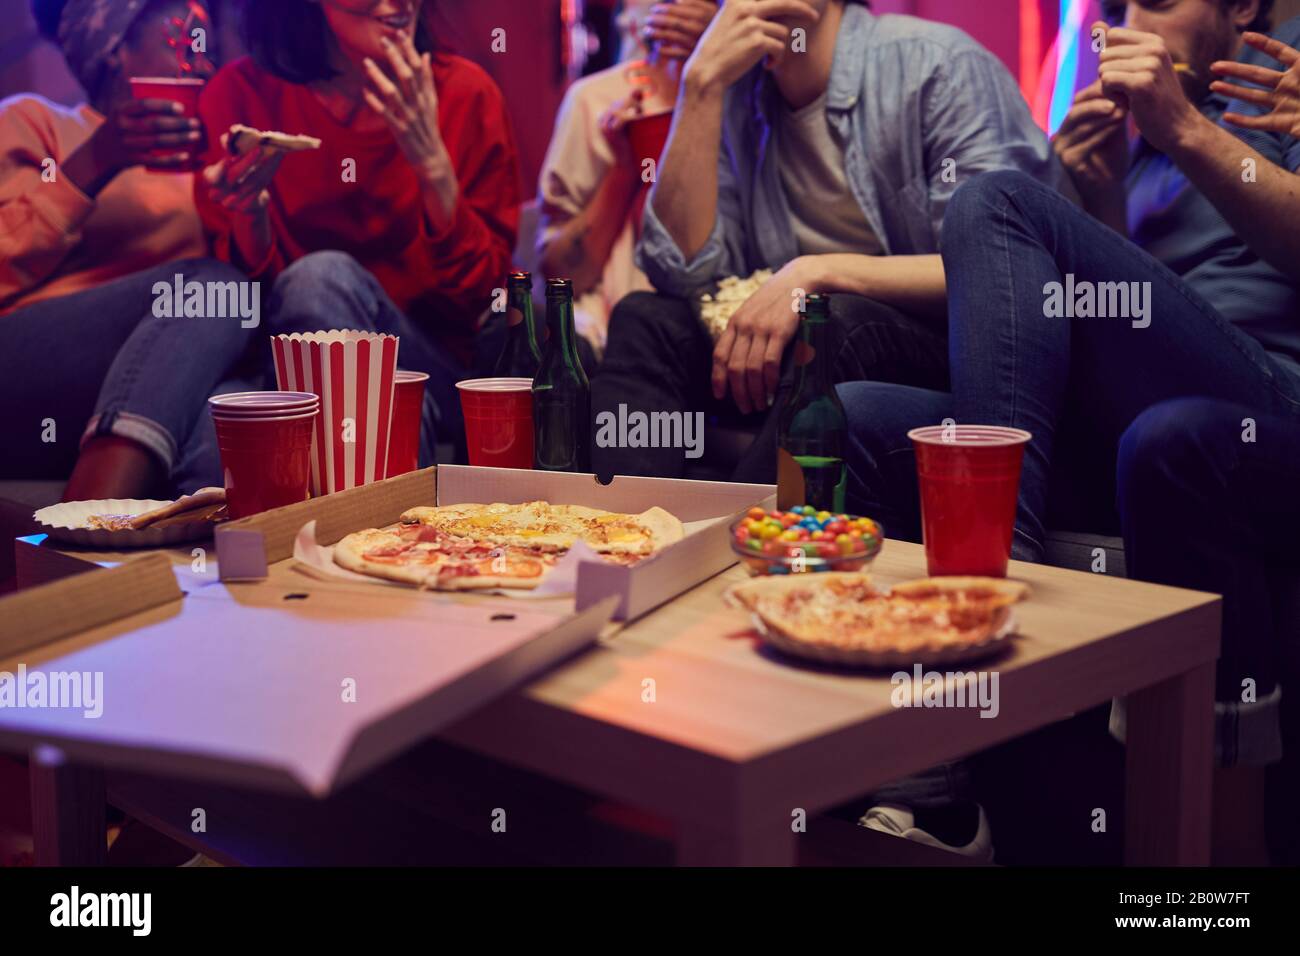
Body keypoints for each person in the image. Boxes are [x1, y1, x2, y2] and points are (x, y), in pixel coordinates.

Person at [840, 1, 1300, 858]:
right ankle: (935, 793)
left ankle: (993, 590)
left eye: (1160, 1)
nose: (1133, 20)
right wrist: (1104, 191)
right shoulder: (1152, 117)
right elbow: (1151, 312)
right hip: (1167, 394)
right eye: (1122, 6)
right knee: (867, 419)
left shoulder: (1283, 66)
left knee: (993, 202)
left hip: (1272, 396)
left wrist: (1185, 127)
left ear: (1242, 6)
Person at [591, 0, 1059, 482]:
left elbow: (1001, 270)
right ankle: (627, 536)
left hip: (936, 344)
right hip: (790, 352)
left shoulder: (940, 65)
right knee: (644, 317)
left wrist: (816, 271)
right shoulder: (737, 90)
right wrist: (701, 85)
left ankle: (744, 542)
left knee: (831, 318)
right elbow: (681, 271)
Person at [195, 0, 521, 465]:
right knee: (215, 432)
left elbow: (486, 299)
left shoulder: (465, 93)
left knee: (321, 276)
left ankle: (382, 500)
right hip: (282, 365)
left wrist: (433, 169)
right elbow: (236, 303)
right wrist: (250, 214)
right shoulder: (241, 93)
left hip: (430, 364)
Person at [1, 0, 257, 500]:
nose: (201, 64)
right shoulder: (37, 121)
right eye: (184, 44)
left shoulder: (206, 164)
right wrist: (98, 160)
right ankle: (93, 515)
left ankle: (201, 557)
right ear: (116, 48)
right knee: (209, 288)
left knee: (231, 406)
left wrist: (253, 203)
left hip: (147, 379)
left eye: (205, 48)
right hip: (29, 360)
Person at [1114, 399, 1299, 865]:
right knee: (917, 430)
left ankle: (1231, 859)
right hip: (1138, 382)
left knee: (1174, 442)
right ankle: (927, 802)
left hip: (1272, 391)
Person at [536, 1, 717, 354]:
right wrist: (622, 169)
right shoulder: (594, 100)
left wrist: (715, 62)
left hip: (707, 332)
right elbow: (560, 275)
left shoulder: (750, 103)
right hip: (598, 337)